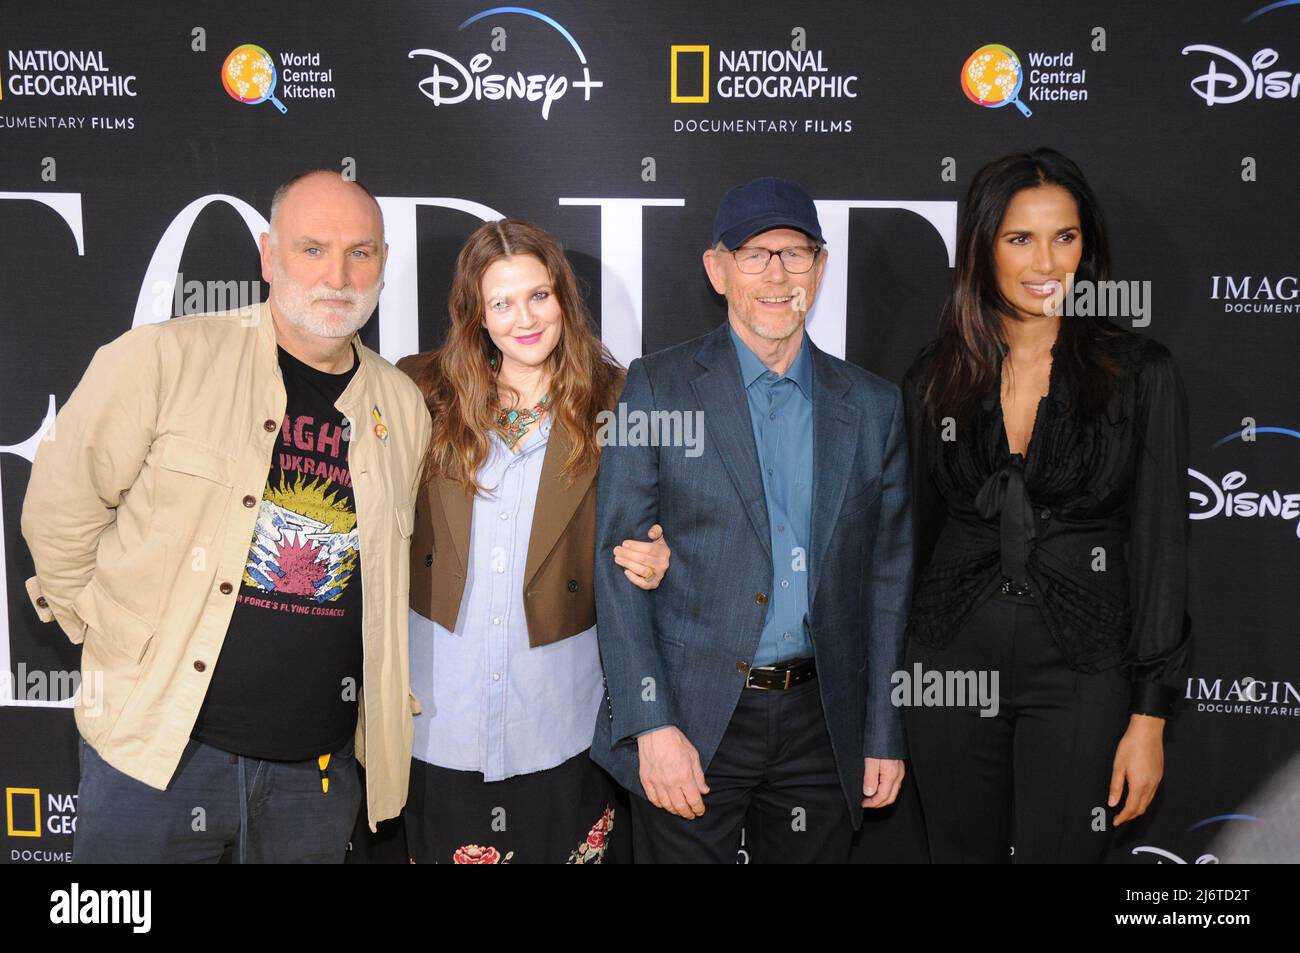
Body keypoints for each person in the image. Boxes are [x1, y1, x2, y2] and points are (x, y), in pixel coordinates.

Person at [21, 170, 431, 863]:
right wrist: (119, 642)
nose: (338, 274)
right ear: (269, 256)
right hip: (155, 758)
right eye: (312, 249)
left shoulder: (402, 405)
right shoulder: (162, 359)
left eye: (360, 252)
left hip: (317, 777)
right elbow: (59, 515)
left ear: (383, 265)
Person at [592, 177, 914, 863]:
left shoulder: (874, 407)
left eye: (795, 253)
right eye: (754, 253)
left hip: (821, 723)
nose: (777, 274)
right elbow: (617, 566)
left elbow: (888, 582)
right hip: (694, 712)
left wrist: (882, 728)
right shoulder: (658, 386)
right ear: (717, 268)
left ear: (821, 268)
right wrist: (651, 722)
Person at [901, 148, 1192, 863]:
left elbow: (1160, 550)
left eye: (1065, 236)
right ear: (983, 248)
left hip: (1082, 666)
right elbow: (907, 541)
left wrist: (1149, 713)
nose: (1047, 261)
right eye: (1019, 238)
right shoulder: (936, 376)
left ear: (1087, 245)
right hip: (948, 660)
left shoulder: (1140, 374)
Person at [396, 219, 670, 864]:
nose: (525, 318)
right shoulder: (420, 389)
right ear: (476, 315)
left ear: (564, 300)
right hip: (440, 715)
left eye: (539, 296)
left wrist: (660, 556)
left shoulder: (619, 398)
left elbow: (661, 519)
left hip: (561, 716)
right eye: (502, 302)